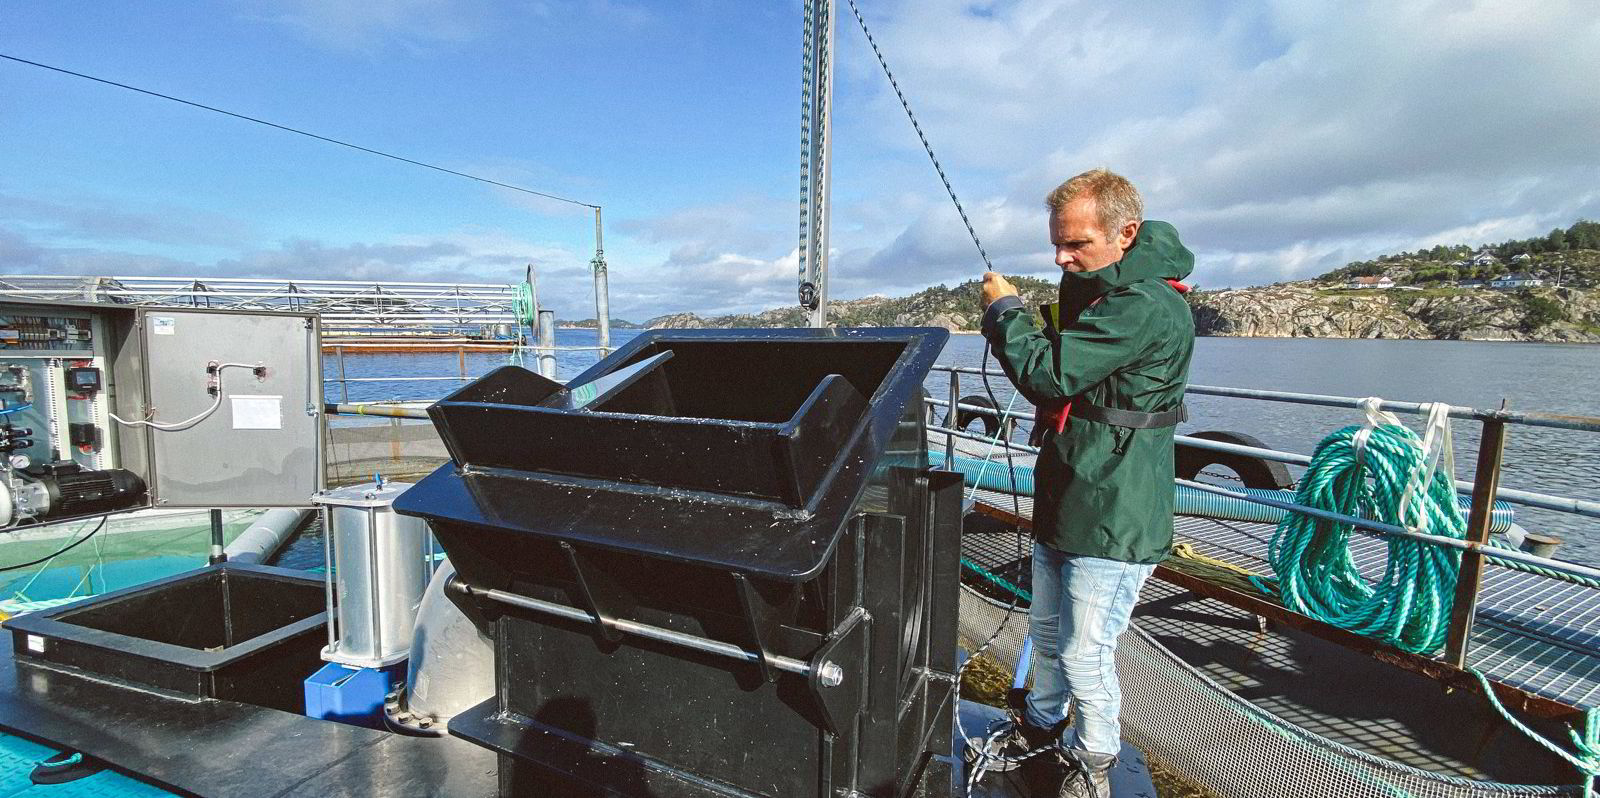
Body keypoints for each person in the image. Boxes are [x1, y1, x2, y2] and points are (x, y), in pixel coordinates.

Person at [978, 169, 1195, 797]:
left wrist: (1004, 313)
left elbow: (1050, 375)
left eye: (1076, 244)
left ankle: (1094, 760)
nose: (1062, 258)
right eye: (1057, 243)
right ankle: (1041, 728)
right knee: (1045, 636)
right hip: (1069, 494)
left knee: (1084, 652)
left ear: (1125, 233)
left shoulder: (1146, 306)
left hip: (1116, 511)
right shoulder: (1100, 293)